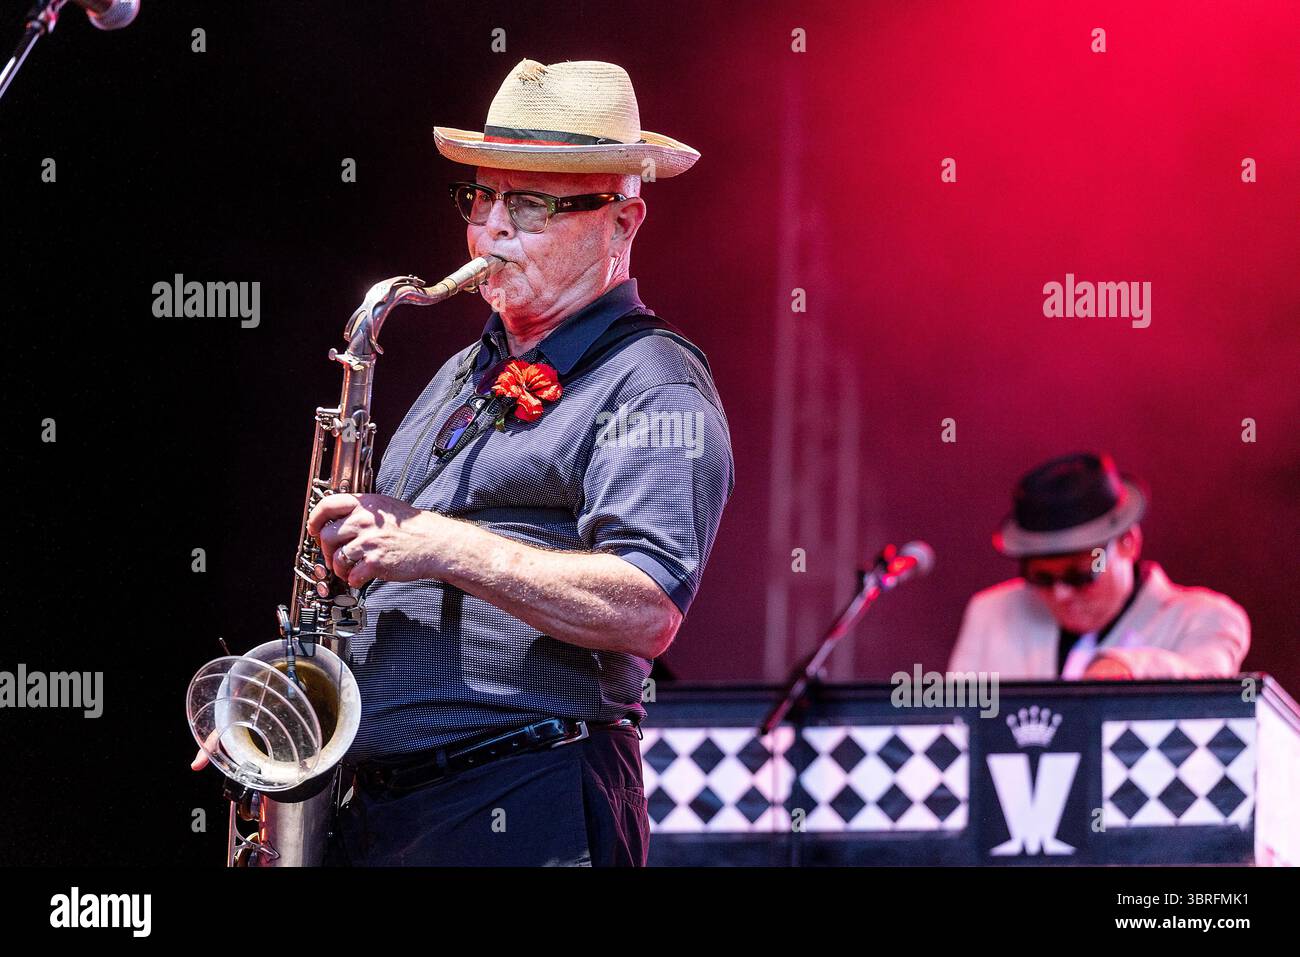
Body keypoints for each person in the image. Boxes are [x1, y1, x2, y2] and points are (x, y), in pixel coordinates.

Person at [195, 58, 733, 866]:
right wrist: (290, 693)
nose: (491, 231)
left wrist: (439, 543)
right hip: (388, 816)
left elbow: (646, 607)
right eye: (481, 198)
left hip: (524, 801)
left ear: (624, 222)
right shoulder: (461, 373)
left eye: (531, 204)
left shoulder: (653, 381)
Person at [948, 452, 1248, 680]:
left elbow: (1208, 679)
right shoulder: (990, 613)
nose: (1061, 594)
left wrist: (1128, 666)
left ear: (1128, 542)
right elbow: (954, 727)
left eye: (1079, 575)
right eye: (1040, 578)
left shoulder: (1206, 617)